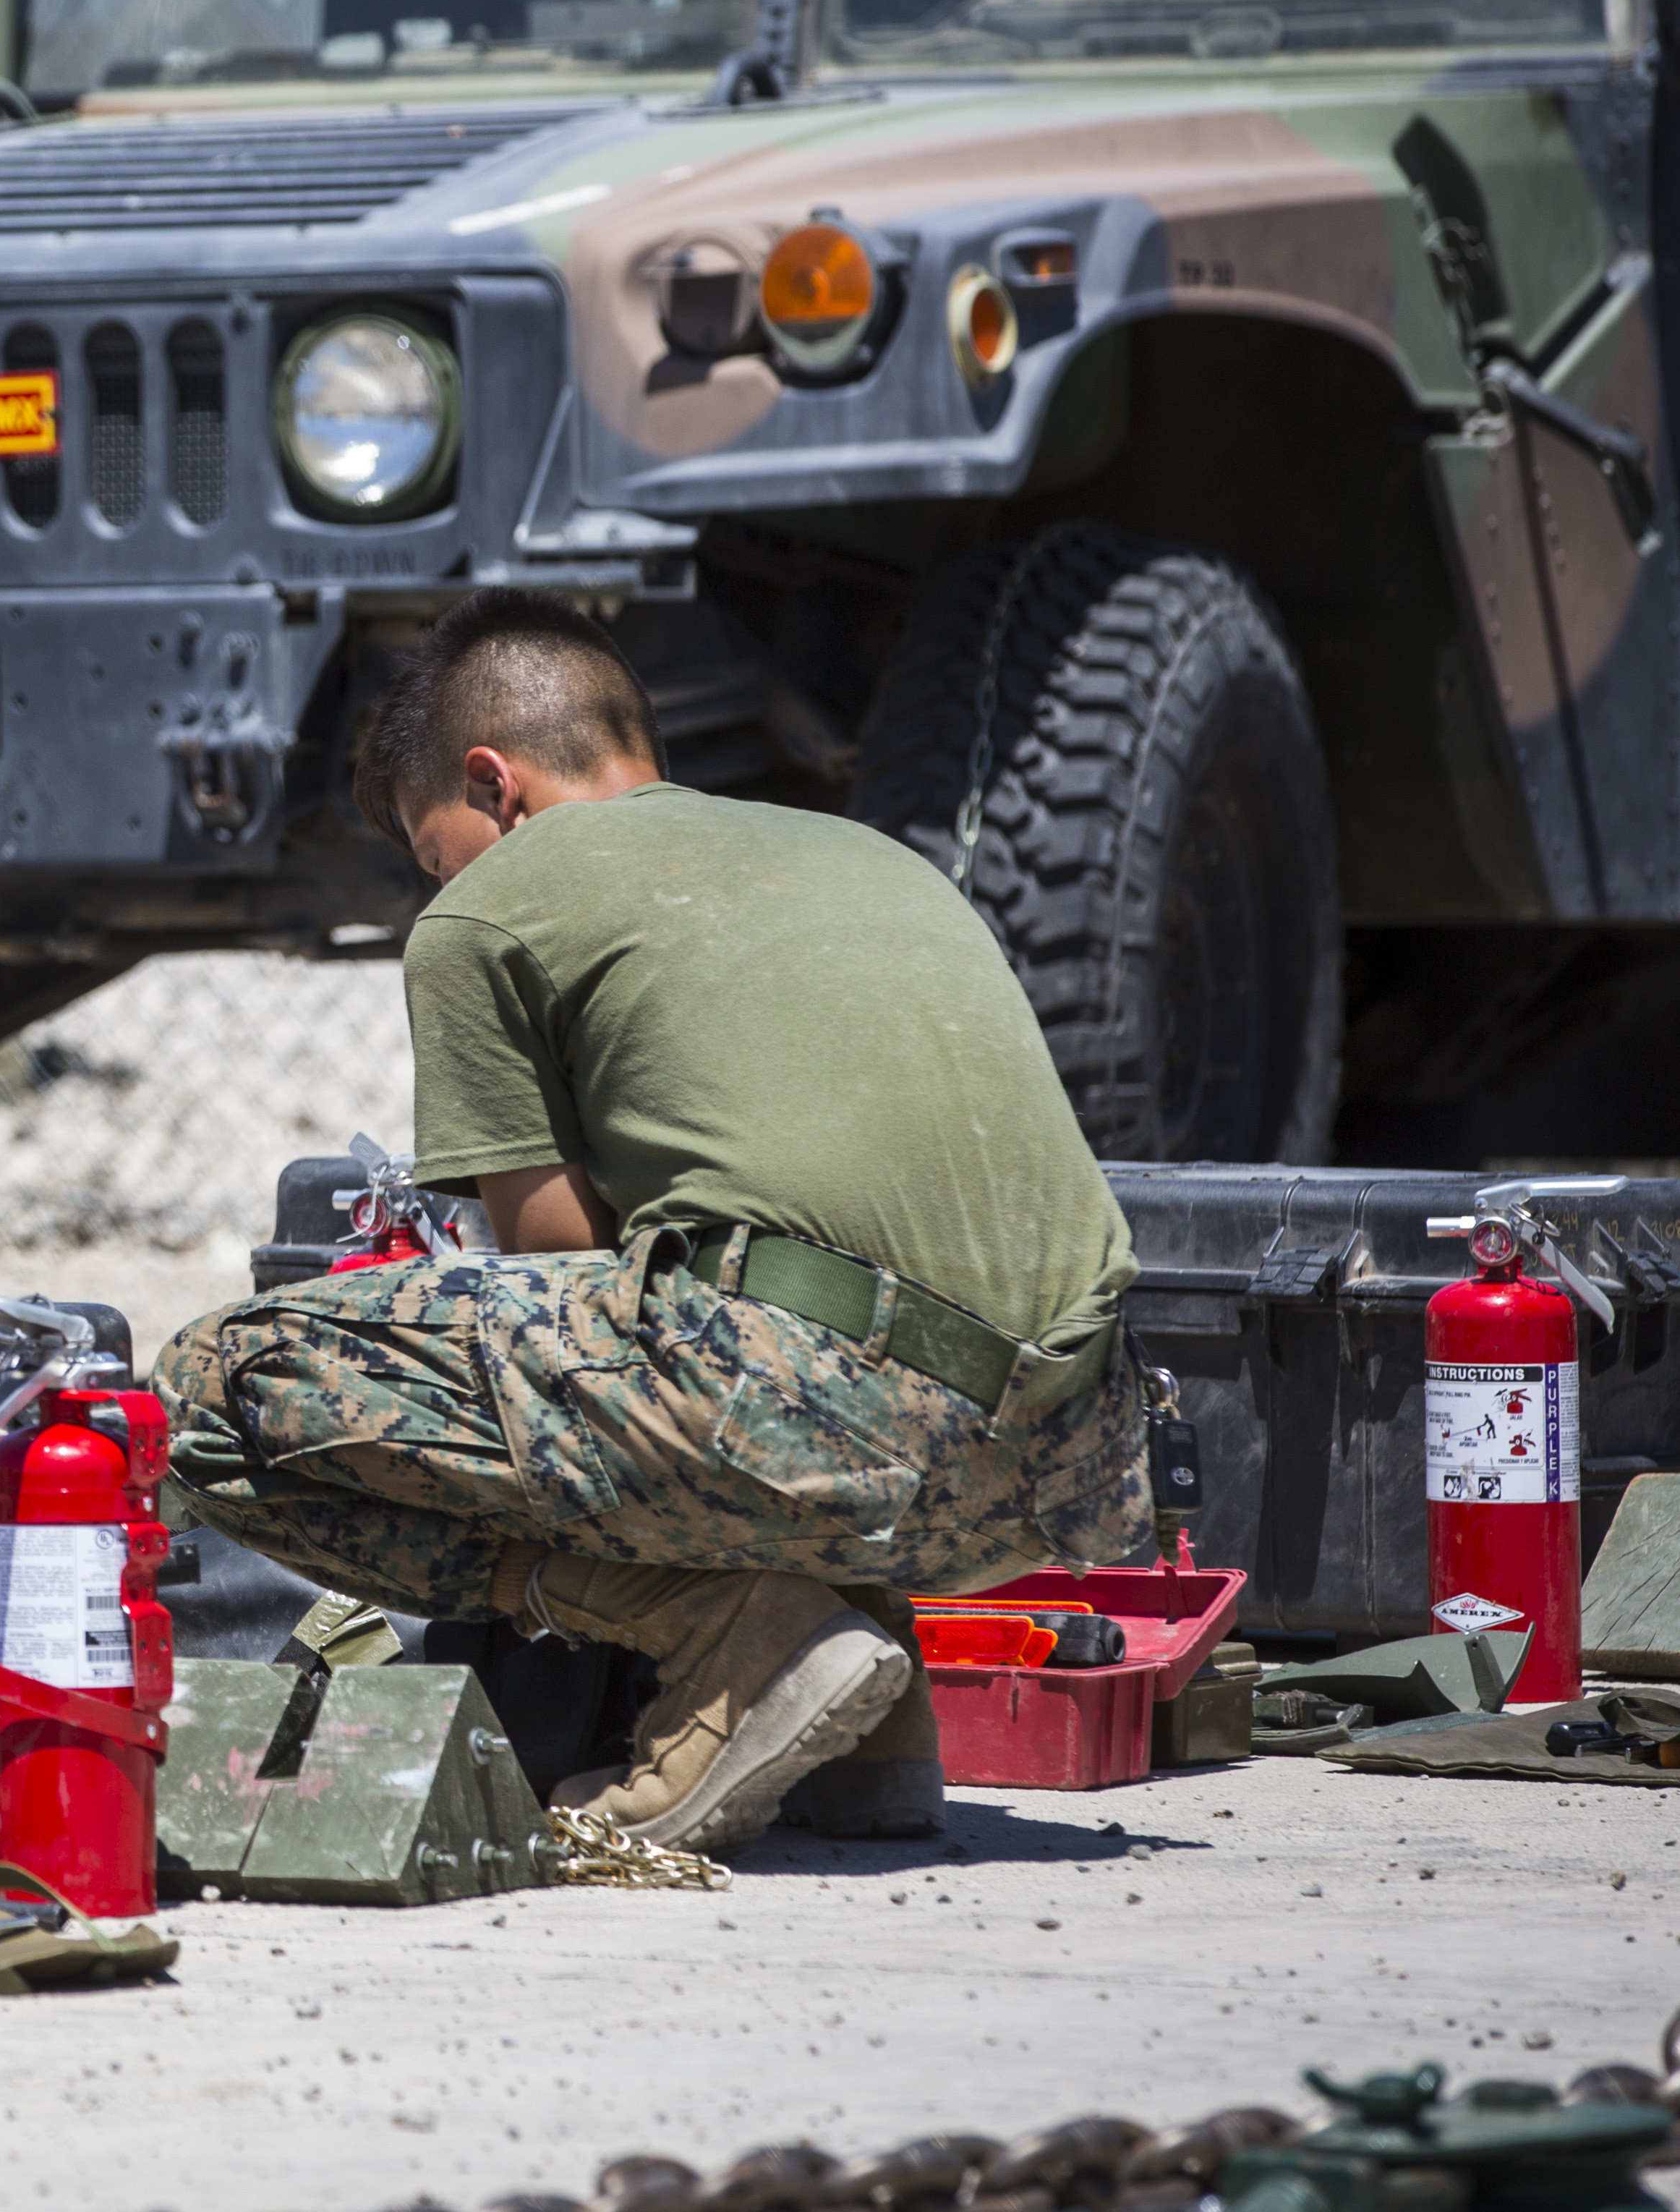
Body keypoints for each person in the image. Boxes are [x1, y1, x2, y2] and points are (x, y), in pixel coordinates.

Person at [152, 588, 1151, 1852]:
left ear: (492, 784)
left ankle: (727, 1635)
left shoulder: (489, 908)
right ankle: (872, 1737)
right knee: (744, 1285)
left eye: (431, 850)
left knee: (205, 1392)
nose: (441, 884)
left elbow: (561, 1275)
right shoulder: (871, 855)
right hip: (1071, 1460)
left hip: (836, 1419)